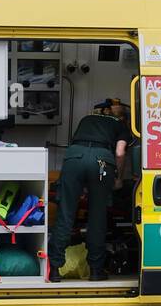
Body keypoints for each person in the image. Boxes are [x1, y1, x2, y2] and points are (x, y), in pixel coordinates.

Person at [48, 98, 128, 283]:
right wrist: (118, 179)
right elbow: (120, 152)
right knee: (97, 216)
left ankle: (55, 269)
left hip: (74, 159)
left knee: (66, 213)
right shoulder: (121, 126)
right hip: (101, 163)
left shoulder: (86, 119)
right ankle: (96, 270)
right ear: (122, 117)